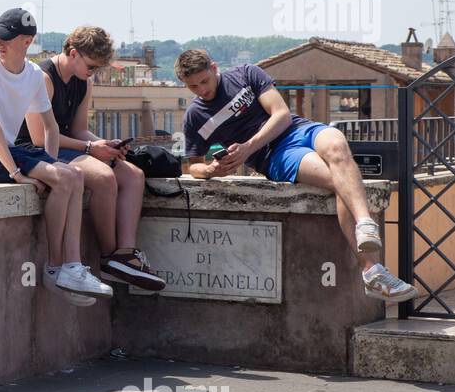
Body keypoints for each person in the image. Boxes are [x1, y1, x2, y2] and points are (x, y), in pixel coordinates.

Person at [175, 49, 417, 303]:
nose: (202, 90)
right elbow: (193, 166)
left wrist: (247, 146)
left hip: (297, 129)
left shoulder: (246, 74)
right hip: (274, 155)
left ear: (214, 68)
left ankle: (365, 225)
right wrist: (212, 170)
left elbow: (281, 114)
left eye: (204, 81)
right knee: (338, 180)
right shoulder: (195, 116)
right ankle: (372, 271)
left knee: (338, 146)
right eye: (193, 87)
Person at [0, 7, 112, 306]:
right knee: (65, 178)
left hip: (7, 151)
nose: (0, 42)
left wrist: (51, 163)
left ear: (26, 42)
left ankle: (71, 267)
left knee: (74, 175)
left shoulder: (32, 75)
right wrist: (17, 174)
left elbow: (51, 128)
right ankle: (56, 268)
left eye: (7, 37)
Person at [15, 26, 166, 291]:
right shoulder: (43, 77)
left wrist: (104, 145)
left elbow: (79, 129)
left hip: (68, 146)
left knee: (133, 175)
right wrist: (89, 148)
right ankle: (109, 257)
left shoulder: (84, 81)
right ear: (73, 54)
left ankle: (125, 254)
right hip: (37, 151)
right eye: (91, 66)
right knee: (104, 177)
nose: (93, 72)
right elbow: (38, 137)